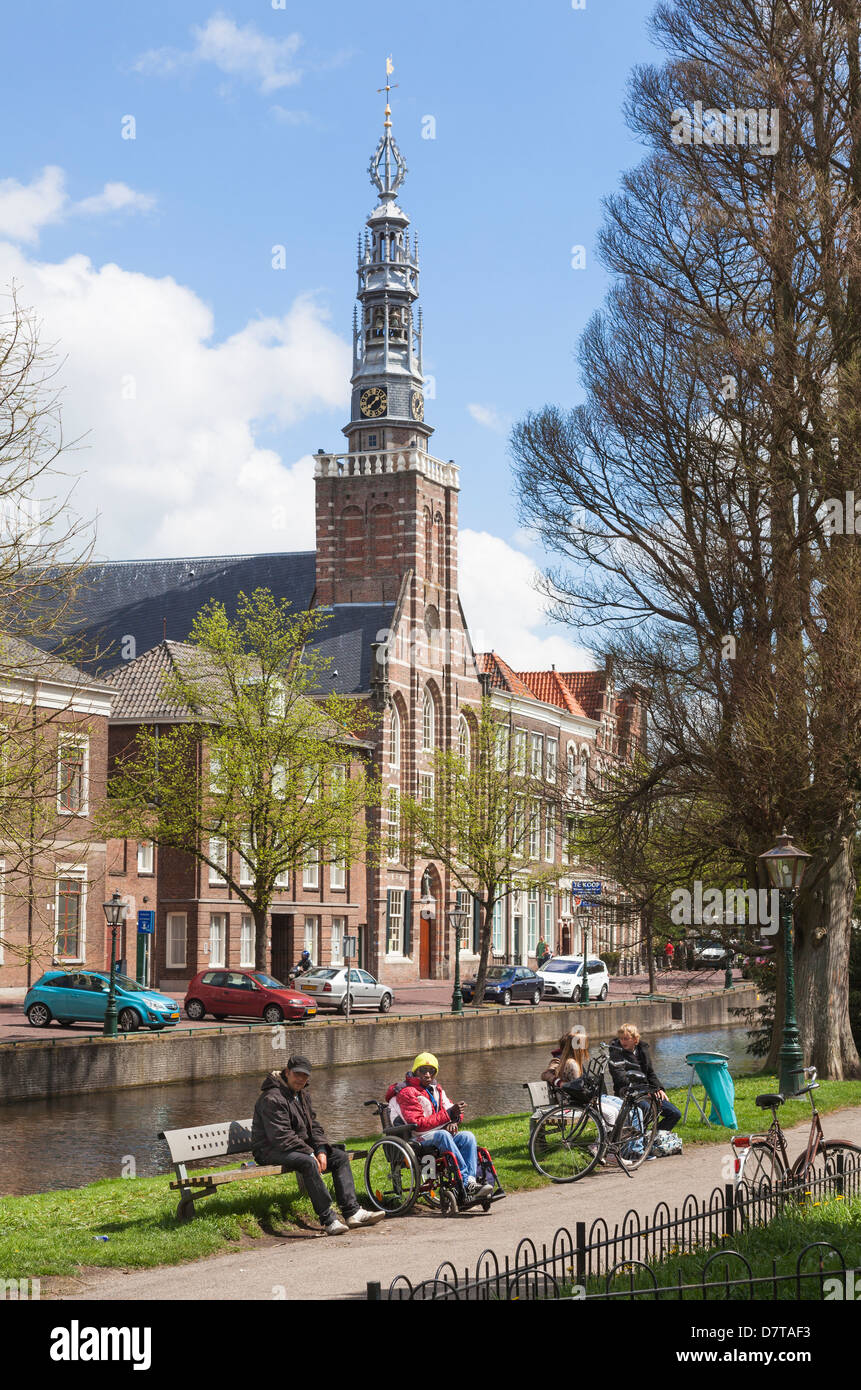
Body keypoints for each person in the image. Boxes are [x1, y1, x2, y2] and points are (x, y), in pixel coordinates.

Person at [251, 1054, 385, 1236]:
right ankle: (329, 1219)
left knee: (339, 1157)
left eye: (305, 1076)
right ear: (287, 1072)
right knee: (308, 1162)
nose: (301, 1079)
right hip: (269, 1150)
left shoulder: (301, 1094)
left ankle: (352, 1212)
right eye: (297, 1074)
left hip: (293, 1147)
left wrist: (321, 1149)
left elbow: (313, 1126)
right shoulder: (272, 1098)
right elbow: (280, 1136)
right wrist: (309, 1152)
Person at [386, 1053, 493, 1203]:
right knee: (442, 1135)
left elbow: (451, 1109)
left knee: (468, 1136)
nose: (428, 1074)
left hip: (437, 1134)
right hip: (416, 1138)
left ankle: (471, 1181)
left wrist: (454, 1119)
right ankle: (465, 1183)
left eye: (432, 1071)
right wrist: (449, 1114)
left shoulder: (436, 1089)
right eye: (423, 1070)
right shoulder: (407, 1092)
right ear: (416, 1071)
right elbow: (418, 1124)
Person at [608, 1023, 681, 1136]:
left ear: (635, 1039)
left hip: (647, 1092)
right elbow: (620, 1079)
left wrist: (658, 1089)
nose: (623, 1042)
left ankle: (651, 1136)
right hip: (628, 1093)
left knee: (674, 1113)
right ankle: (638, 1138)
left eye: (626, 1039)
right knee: (648, 1109)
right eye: (621, 1039)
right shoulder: (616, 1054)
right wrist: (645, 1091)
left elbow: (650, 1073)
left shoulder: (642, 1050)